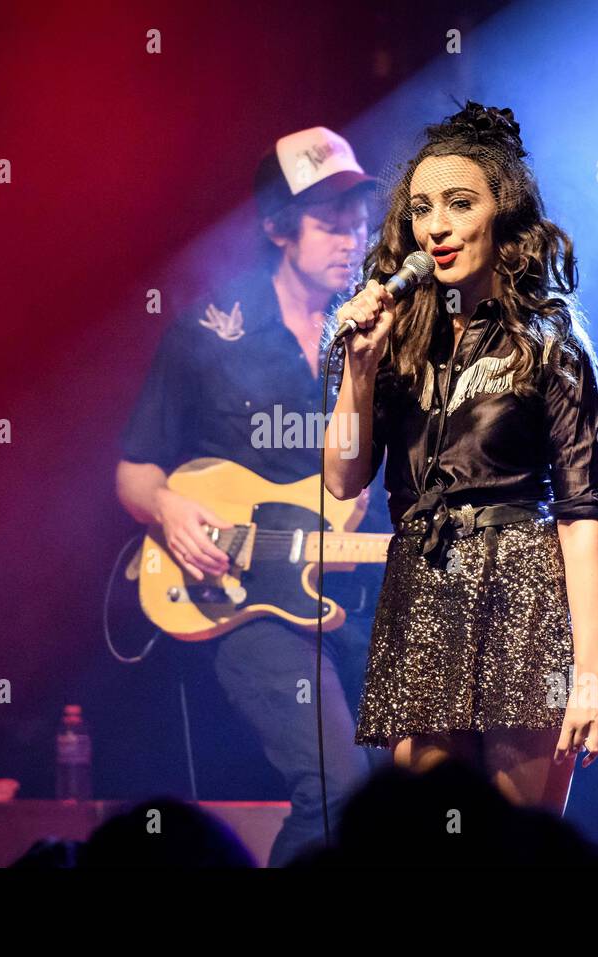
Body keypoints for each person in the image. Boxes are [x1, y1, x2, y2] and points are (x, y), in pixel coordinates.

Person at [323, 101, 598, 815]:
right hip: (421, 592)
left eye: (460, 204)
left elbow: (580, 522)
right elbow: (341, 476)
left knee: (520, 846)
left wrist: (590, 674)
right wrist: (359, 368)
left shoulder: (550, 340)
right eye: (423, 208)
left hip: (520, 593)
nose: (438, 226)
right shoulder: (399, 336)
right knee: (422, 839)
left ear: (504, 215)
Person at [115, 126, 391, 866]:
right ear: (277, 227)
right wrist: (171, 509)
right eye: (329, 220)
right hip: (245, 599)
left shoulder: (379, 334)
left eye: (359, 216)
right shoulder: (211, 331)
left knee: (404, 797)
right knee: (337, 790)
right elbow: (135, 469)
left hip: (351, 590)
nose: (350, 236)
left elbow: (358, 490)